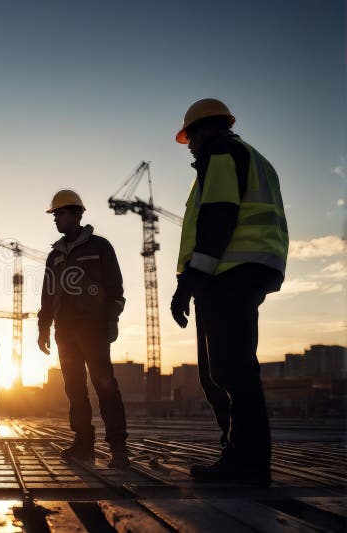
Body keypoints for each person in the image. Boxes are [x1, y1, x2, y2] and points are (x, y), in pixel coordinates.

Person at [171, 98, 288, 485]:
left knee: (232, 369)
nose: (188, 145)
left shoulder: (220, 153)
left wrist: (189, 281)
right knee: (225, 369)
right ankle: (238, 456)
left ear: (205, 130)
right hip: (247, 267)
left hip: (229, 270)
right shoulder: (253, 157)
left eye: (190, 137)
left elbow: (218, 217)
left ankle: (248, 464)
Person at [37, 190, 129, 468]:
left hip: (94, 328)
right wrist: (43, 328)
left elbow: (115, 288)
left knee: (105, 385)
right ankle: (83, 443)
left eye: (61, 214)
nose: (56, 219)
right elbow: (47, 295)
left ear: (78, 215)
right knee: (74, 389)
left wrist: (111, 318)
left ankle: (118, 447)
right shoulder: (54, 256)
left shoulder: (100, 247)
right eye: (55, 215)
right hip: (64, 330)